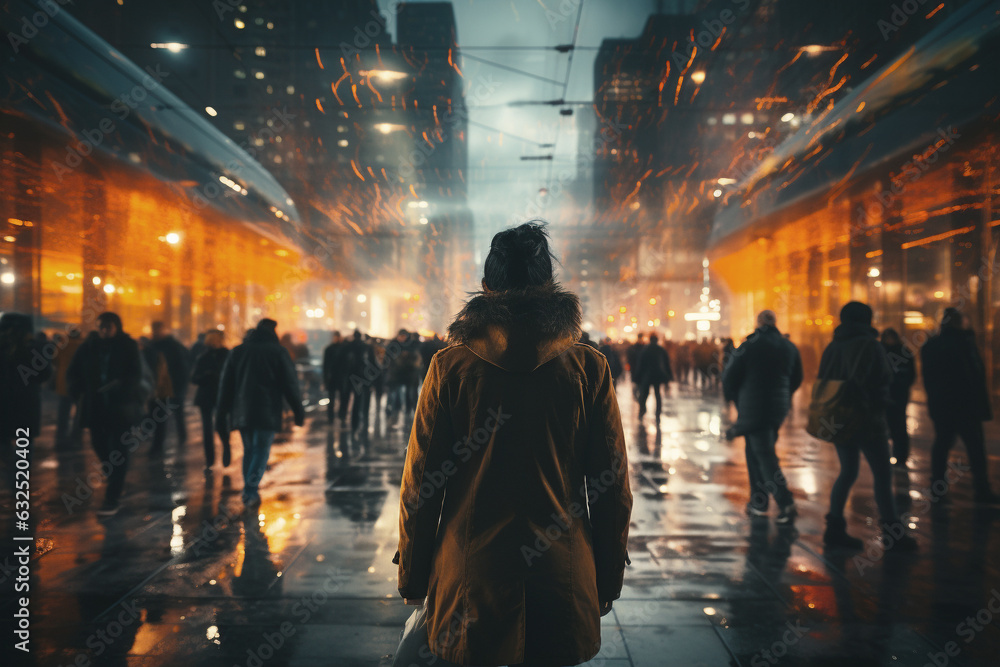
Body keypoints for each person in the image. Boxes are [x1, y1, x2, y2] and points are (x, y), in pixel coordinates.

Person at [396, 222, 632, 667]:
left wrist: (413, 574)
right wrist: (606, 578)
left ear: (486, 289)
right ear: (549, 287)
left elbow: (422, 486)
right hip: (562, 574)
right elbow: (612, 489)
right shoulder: (588, 368)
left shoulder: (450, 367)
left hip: (470, 575)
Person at [816, 302, 917, 550]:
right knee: (883, 474)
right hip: (868, 418)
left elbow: (822, 378)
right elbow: (883, 377)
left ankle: (835, 528)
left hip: (839, 417)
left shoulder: (833, 346)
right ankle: (892, 534)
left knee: (847, 472)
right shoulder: (870, 344)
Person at [721, 311, 803, 523]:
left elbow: (730, 376)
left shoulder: (749, 345)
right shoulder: (788, 347)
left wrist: (735, 398)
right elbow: (797, 378)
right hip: (777, 409)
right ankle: (758, 502)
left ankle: (786, 503)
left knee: (764, 457)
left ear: (758, 324)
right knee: (756, 453)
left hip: (753, 409)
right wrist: (783, 395)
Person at [216, 318, 304, 508]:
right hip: (267, 409)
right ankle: (250, 490)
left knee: (249, 450)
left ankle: (249, 489)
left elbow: (226, 385)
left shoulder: (237, 352)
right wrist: (298, 410)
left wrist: (221, 411)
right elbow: (290, 384)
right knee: (261, 450)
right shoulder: (278, 352)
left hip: (242, 410)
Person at [66, 312, 145, 516]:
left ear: (117, 327)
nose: (103, 330)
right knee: (98, 444)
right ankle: (114, 476)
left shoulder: (127, 345)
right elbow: (73, 372)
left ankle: (112, 497)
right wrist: (78, 390)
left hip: (120, 407)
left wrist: (122, 385)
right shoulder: (88, 346)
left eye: (108, 327)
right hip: (95, 406)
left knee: (119, 450)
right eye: (101, 326)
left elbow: (136, 373)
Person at [920, 308, 999, 504]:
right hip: (966, 406)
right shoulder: (965, 344)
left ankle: (938, 488)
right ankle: (981, 490)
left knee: (942, 445)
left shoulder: (932, 346)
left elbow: (930, 379)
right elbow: (973, 378)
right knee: (975, 448)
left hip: (943, 406)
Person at [0, 314, 52, 483]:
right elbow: (44, 374)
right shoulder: (35, 349)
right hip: (25, 405)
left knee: (6, 444)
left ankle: (13, 475)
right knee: (23, 447)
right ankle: (18, 483)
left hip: (6, 404)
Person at [191, 330, 230, 470]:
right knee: (207, 429)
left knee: (221, 425)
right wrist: (206, 376)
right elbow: (194, 378)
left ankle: (226, 447)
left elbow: (232, 376)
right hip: (206, 396)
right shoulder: (203, 357)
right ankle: (209, 459)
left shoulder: (228, 355)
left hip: (221, 396)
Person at [151, 321, 190, 447]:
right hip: (159, 386)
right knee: (158, 415)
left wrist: (179, 386)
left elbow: (183, 368)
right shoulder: (153, 346)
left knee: (177, 412)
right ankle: (159, 443)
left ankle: (181, 438)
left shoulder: (173, 346)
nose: (156, 332)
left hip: (174, 385)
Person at [881, 328, 915, 468]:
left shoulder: (902, 352)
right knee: (889, 425)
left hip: (897, 395)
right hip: (887, 394)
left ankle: (900, 455)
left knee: (898, 425)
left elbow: (911, 374)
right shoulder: (883, 351)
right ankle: (891, 455)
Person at [53, 327, 85, 448]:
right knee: (79, 412)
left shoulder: (61, 345)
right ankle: (76, 435)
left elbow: (54, 360)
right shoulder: (83, 346)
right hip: (79, 383)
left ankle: (61, 435)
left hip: (63, 382)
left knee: (63, 412)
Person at [340, 330, 376, 433]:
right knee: (358, 401)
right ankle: (358, 423)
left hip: (348, 377)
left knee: (345, 399)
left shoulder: (347, 347)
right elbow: (372, 365)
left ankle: (344, 419)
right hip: (362, 378)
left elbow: (341, 363)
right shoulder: (366, 347)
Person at [636, 333, 673, 418]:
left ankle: (642, 410)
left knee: (644, 394)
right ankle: (658, 412)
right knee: (657, 394)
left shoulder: (645, 350)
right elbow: (666, 363)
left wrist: (638, 376)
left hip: (647, 375)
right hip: (658, 375)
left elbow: (641, 364)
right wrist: (669, 375)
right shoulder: (661, 350)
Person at [322, 330, 345, 423]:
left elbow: (325, 366)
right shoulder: (342, 349)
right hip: (337, 378)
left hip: (334, 378)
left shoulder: (330, 349)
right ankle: (338, 416)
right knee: (336, 398)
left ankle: (333, 417)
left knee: (334, 398)